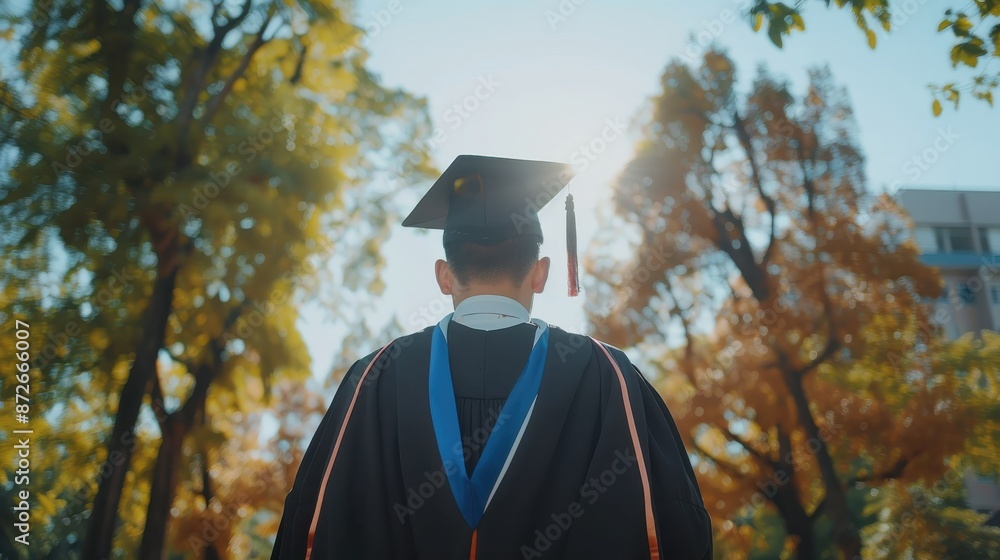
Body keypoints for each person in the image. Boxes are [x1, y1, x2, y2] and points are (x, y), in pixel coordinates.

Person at [270, 155, 712, 559]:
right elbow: (673, 529)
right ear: (541, 274)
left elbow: (311, 529)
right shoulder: (607, 377)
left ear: (444, 276)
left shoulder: (374, 378)